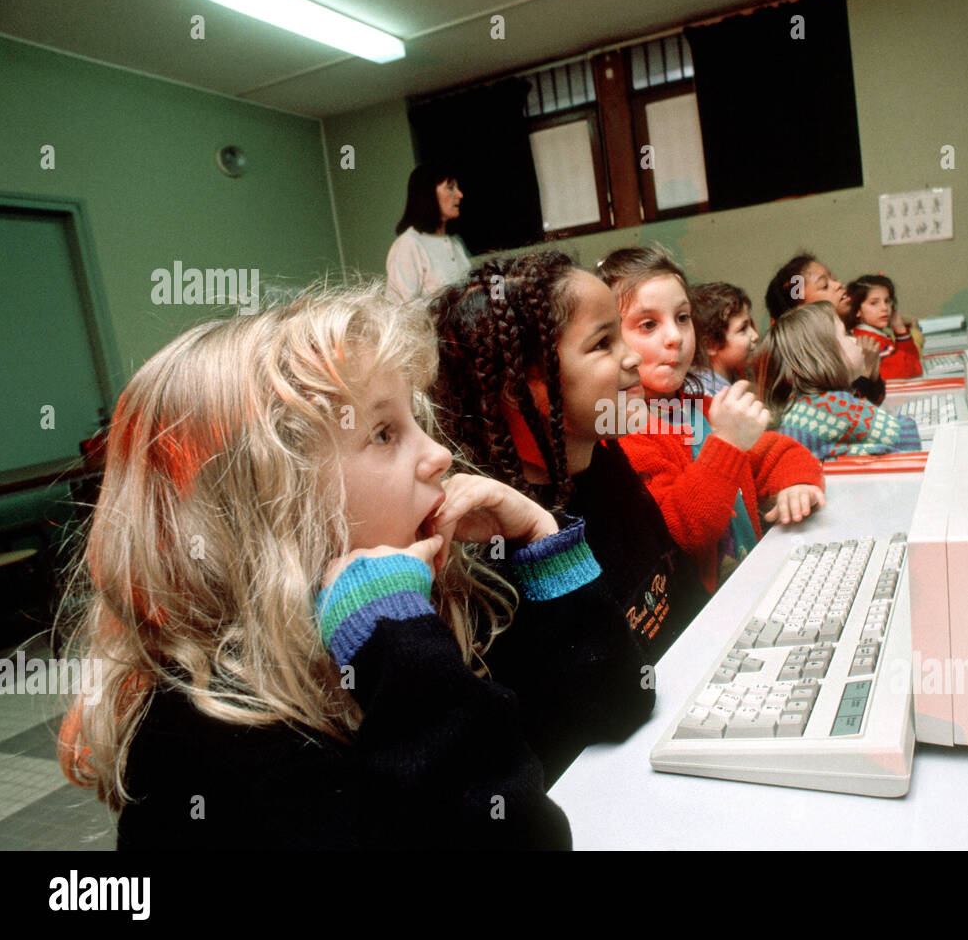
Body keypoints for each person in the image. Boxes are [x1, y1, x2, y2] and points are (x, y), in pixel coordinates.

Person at [56, 284, 651, 849]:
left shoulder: (429, 601)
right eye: (385, 432)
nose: (440, 454)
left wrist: (539, 542)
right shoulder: (207, 732)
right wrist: (403, 652)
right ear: (269, 510)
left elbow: (616, 706)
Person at [431, 251, 709, 662]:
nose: (631, 356)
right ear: (518, 389)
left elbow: (683, 591)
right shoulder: (493, 537)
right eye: (603, 343)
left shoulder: (606, 460)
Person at [598, 246, 826, 592]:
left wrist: (797, 484)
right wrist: (728, 443)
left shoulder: (702, 408)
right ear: (610, 340)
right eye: (648, 324)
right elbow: (681, 532)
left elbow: (777, 453)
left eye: (683, 317)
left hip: (749, 589)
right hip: (701, 619)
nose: (675, 336)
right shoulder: (622, 434)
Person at [756, 300, 921, 458]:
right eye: (845, 334)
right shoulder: (830, 405)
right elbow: (908, 437)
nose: (855, 339)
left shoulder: (802, 403)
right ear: (825, 355)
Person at [766, 252, 885, 403]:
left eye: (833, 279)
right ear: (800, 312)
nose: (839, 284)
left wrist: (873, 376)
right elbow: (840, 414)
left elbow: (876, 401)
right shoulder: (803, 361)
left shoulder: (843, 337)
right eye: (824, 286)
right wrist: (866, 373)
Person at [386, 164, 471, 305]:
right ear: (428, 194)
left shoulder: (455, 243)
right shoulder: (408, 245)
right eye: (450, 188)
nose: (460, 195)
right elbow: (401, 311)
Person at [847, 274, 924, 380]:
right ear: (857, 310)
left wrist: (899, 328)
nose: (884, 308)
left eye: (887, 301)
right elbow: (914, 369)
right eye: (874, 303)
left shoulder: (876, 335)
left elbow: (913, 360)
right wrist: (900, 330)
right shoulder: (868, 341)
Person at [689, 282, 759, 396]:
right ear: (710, 345)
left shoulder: (735, 375)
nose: (755, 336)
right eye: (743, 329)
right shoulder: (702, 395)